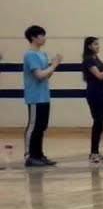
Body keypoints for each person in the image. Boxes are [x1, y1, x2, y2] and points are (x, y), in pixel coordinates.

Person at [22, 25, 62, 168]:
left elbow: (47, 74)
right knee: (33, 126)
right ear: (33, 37)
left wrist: (53, 66)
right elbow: (39, 75)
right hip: (34, 96)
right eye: (42, 35)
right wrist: (54, 65)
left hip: (44, 96)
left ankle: (38, 154)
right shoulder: (29, 55)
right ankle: (29, 155)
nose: (44, 38)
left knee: (41, 126)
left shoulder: (42, 55)